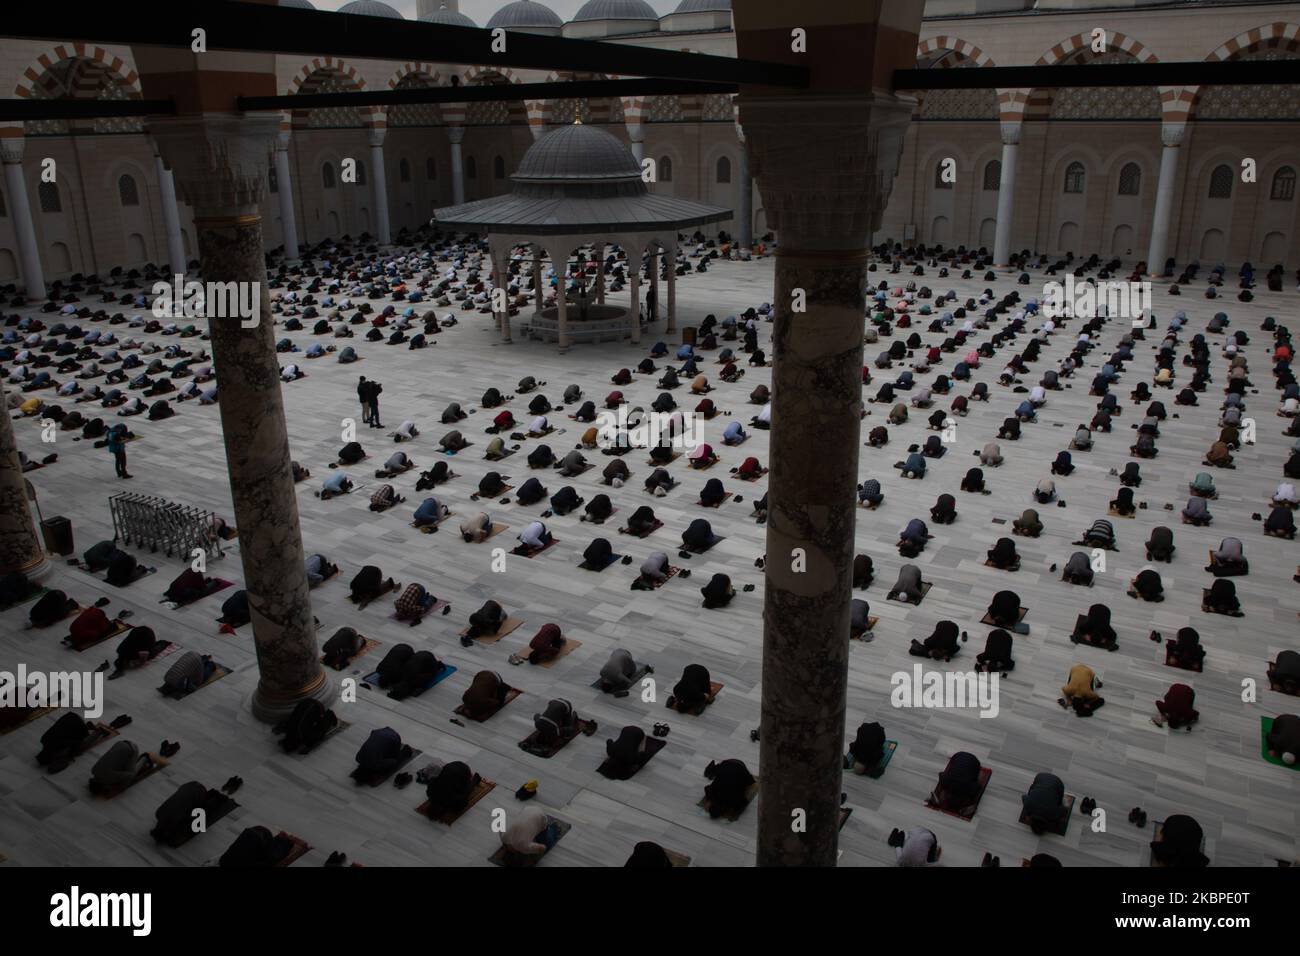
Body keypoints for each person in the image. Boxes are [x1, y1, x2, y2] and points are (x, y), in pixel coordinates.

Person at [273, 698, 339, 752]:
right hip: (307, 701)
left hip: (317, 708)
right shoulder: (289, 729)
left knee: (320, 728)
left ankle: (330, 715)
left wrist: (309, 744)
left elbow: (317, 736)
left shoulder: (301, 734)